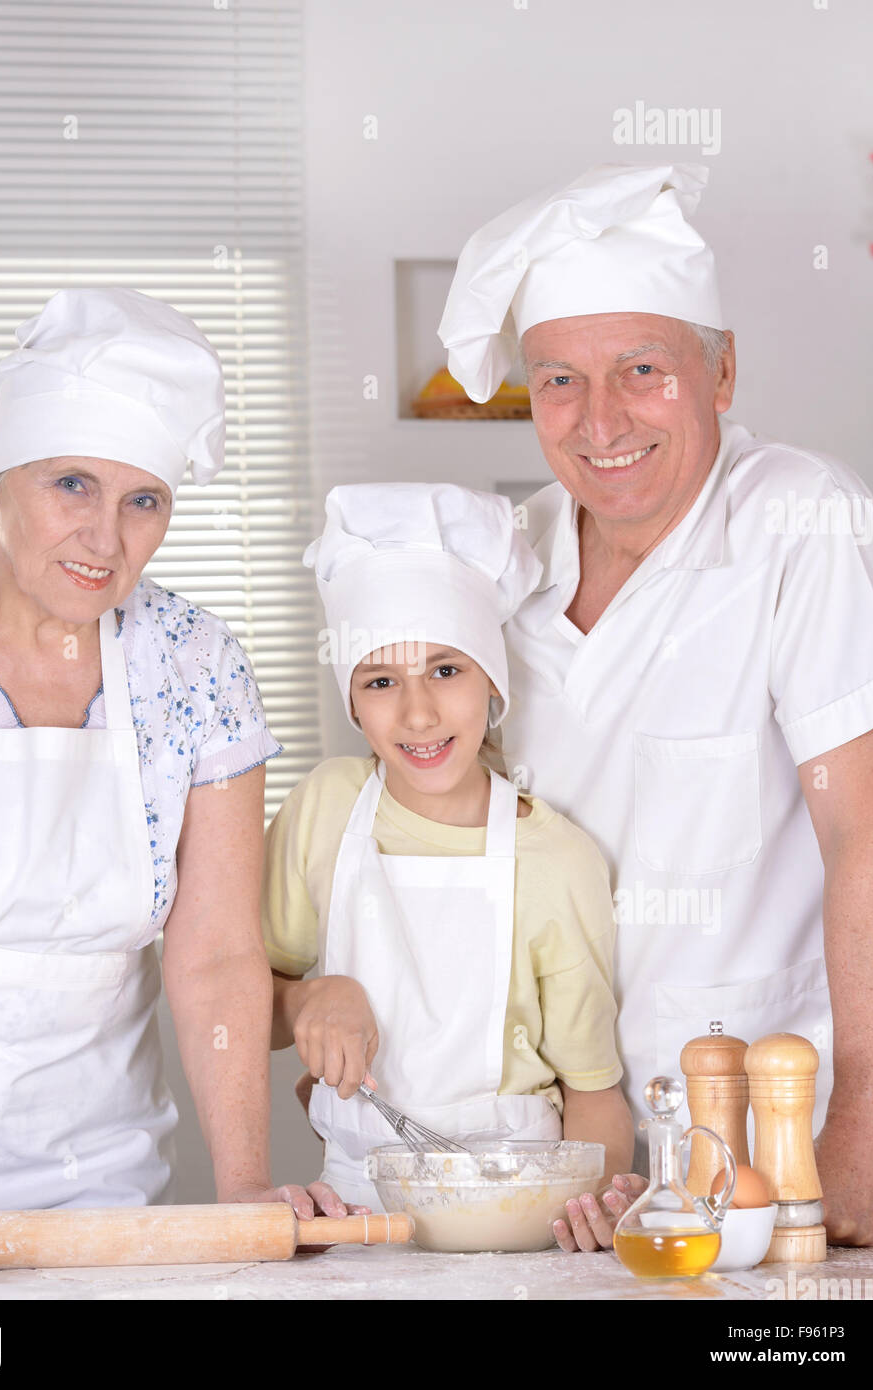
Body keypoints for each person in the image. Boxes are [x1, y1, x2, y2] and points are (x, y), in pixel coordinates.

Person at [439, 162, 873, 1249]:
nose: (600, 420)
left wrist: (868, 1126)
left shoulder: (799, 522)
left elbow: (869, 840)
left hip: (782, 1142)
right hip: (580, 1163)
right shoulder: (509, 561)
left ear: (721, 371)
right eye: (557, 380)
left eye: (641, 369)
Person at [0, 287, 319, 1242]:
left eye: (142, 500)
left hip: (101, 1183)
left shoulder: (196, 665)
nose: (105, 540)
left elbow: (219, 955)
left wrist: (243, 1189)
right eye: (71, 485)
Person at [261, 482, 634, 1215]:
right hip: (354, 1201)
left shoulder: (556, 860)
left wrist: (587, 1227)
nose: (418, 712)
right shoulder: (326, 807)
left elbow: (594, 1097)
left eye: (445, 669)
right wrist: (307, 995)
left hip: (520, 1203)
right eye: (380, 680)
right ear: (351, 702)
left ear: (492, 680)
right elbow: (243, 1005)